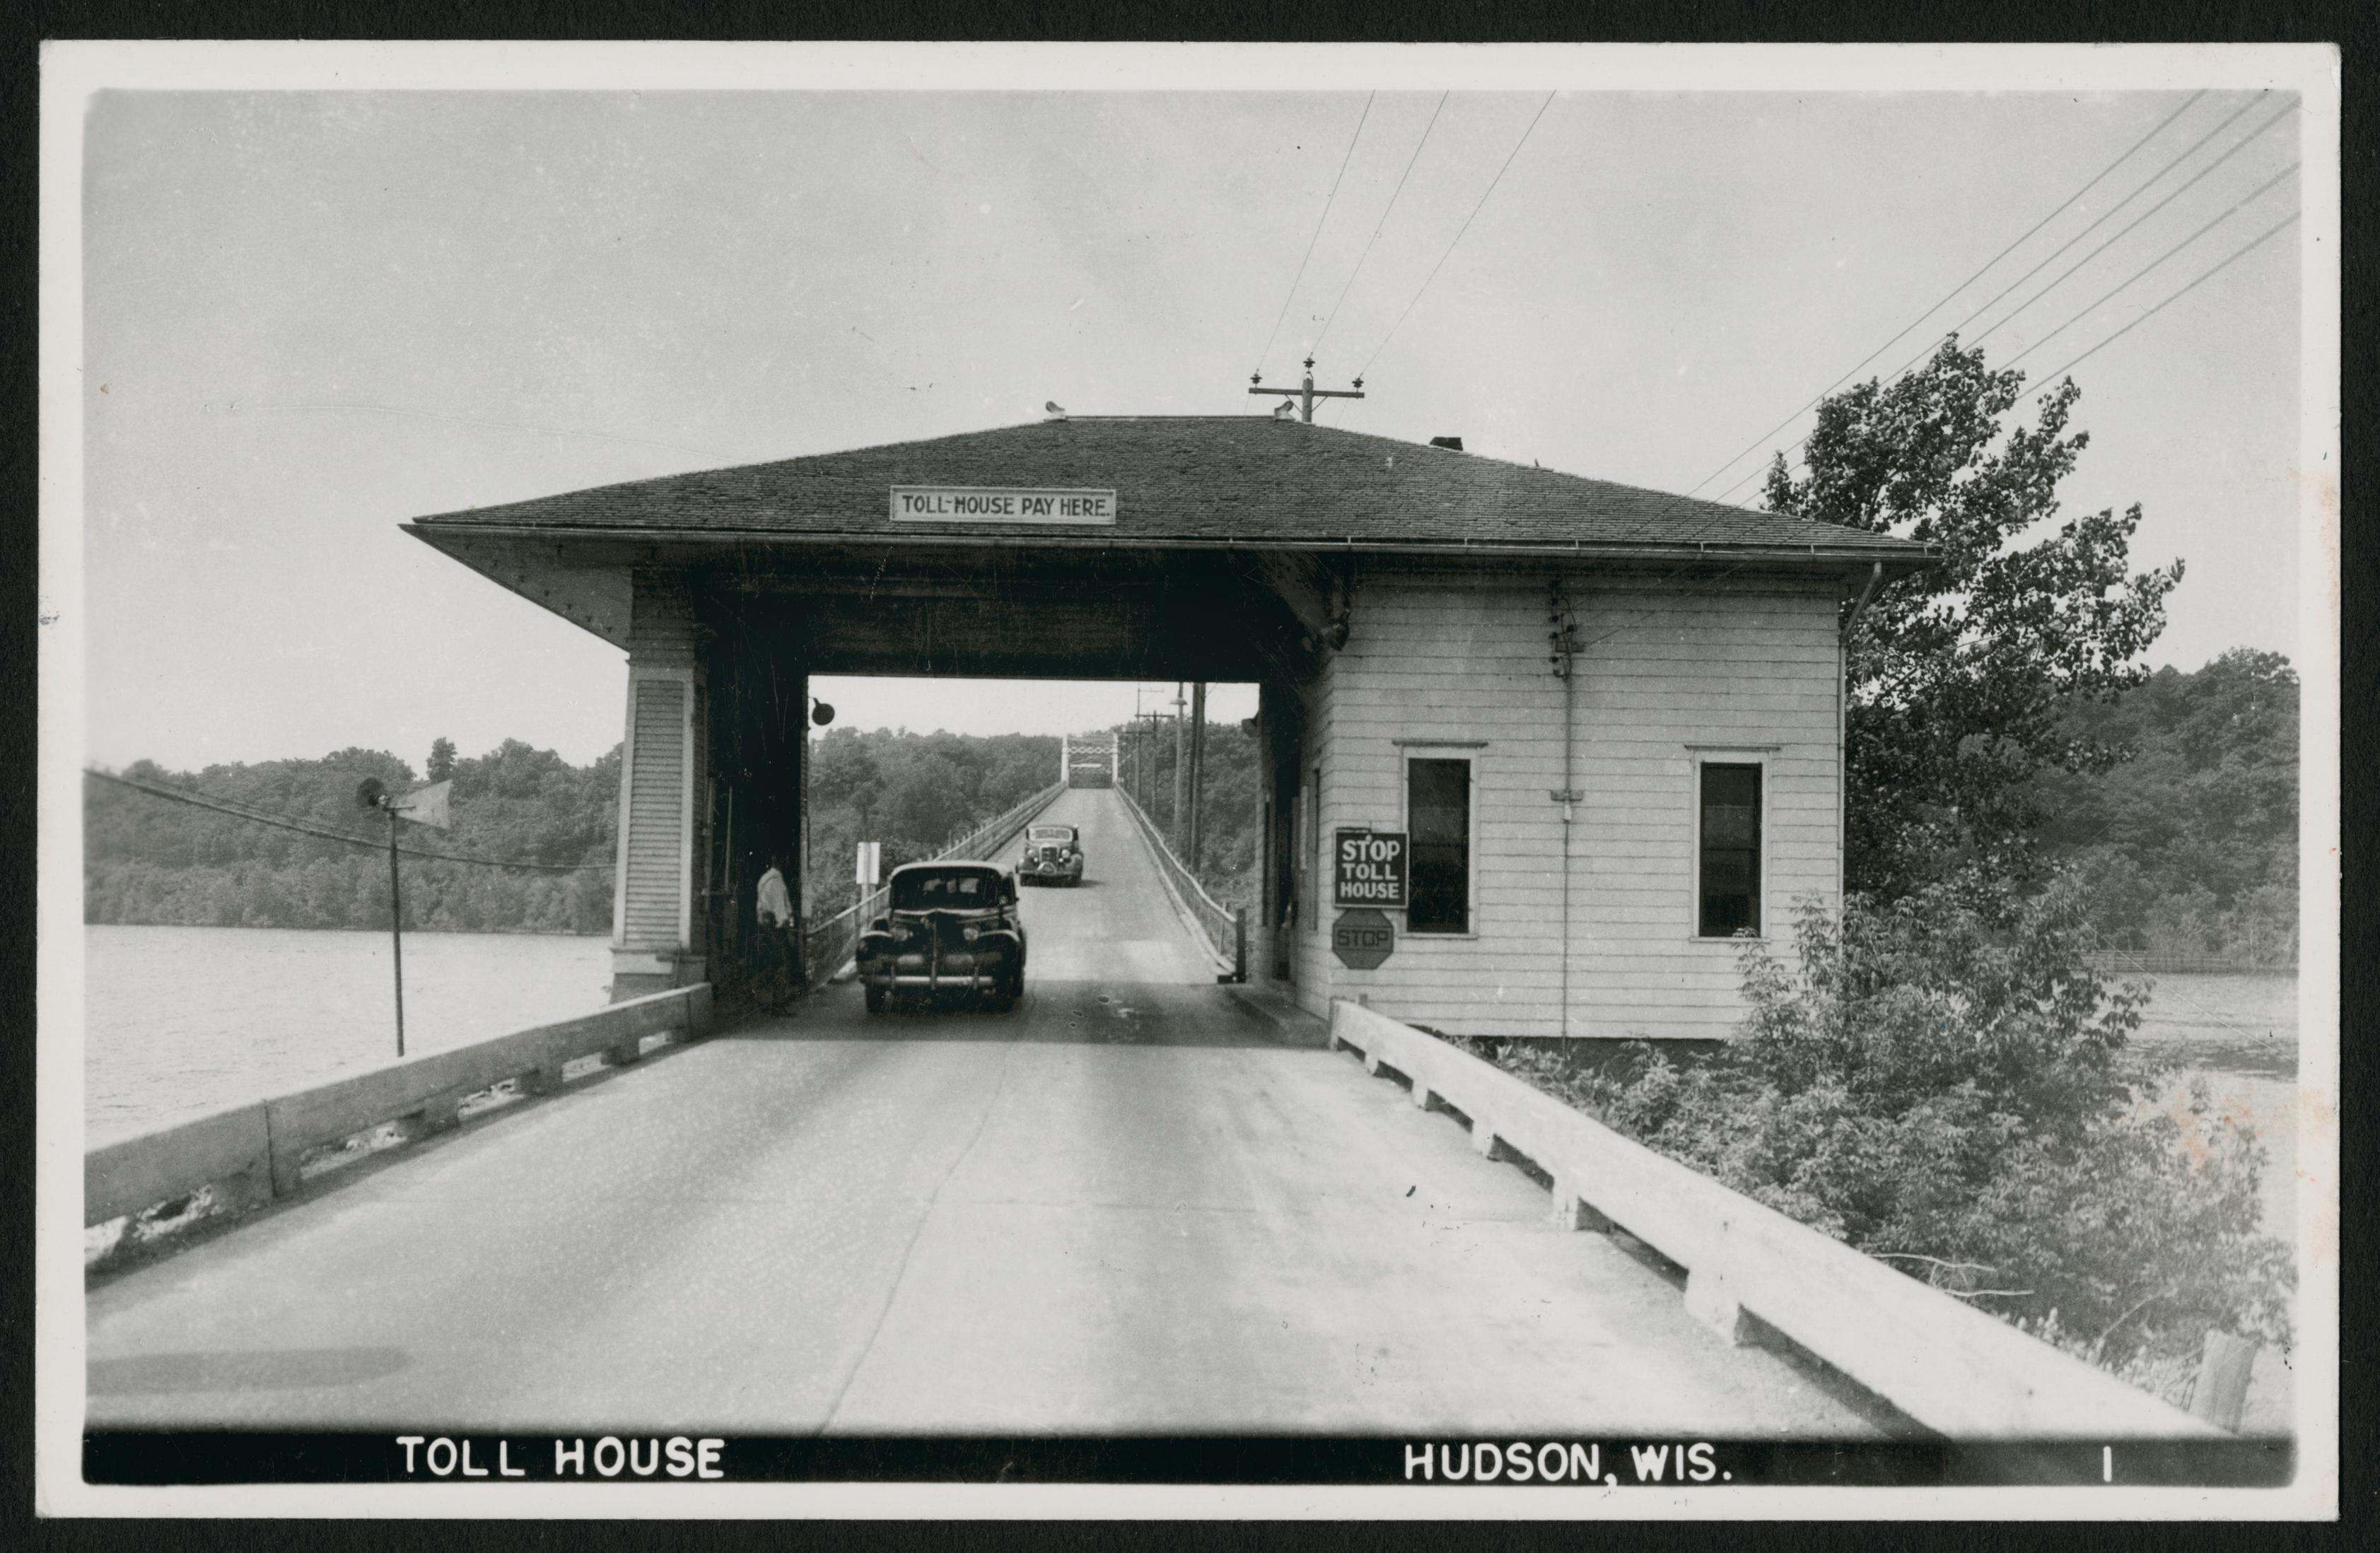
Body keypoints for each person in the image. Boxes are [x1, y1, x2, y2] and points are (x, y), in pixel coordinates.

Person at [751, 859, 797, 1009]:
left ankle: (767, 1000)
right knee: (782, 963)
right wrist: (788, 933)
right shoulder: (776, 881)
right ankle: (778, 1003)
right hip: (775, 925)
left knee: (771, 962)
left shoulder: (764, 879)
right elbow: (780, 909)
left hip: (765, 923)